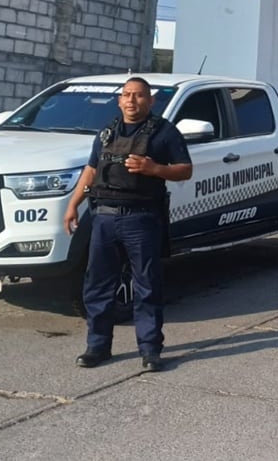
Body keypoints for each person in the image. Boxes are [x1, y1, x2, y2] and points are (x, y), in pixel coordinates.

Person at [64, 77, 193, 372]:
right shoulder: (107, 133)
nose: (132, 100)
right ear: (119, 100)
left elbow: (185, 170)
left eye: (138, 95)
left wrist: (154, 168)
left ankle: (150, 350)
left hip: (141, 218)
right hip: (104, 217)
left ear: (150, 100)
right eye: (127, 95)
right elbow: (91, 170)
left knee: (147, 286)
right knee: (98, 285)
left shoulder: (164, 132)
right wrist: (73, 204)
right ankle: (97, 347)